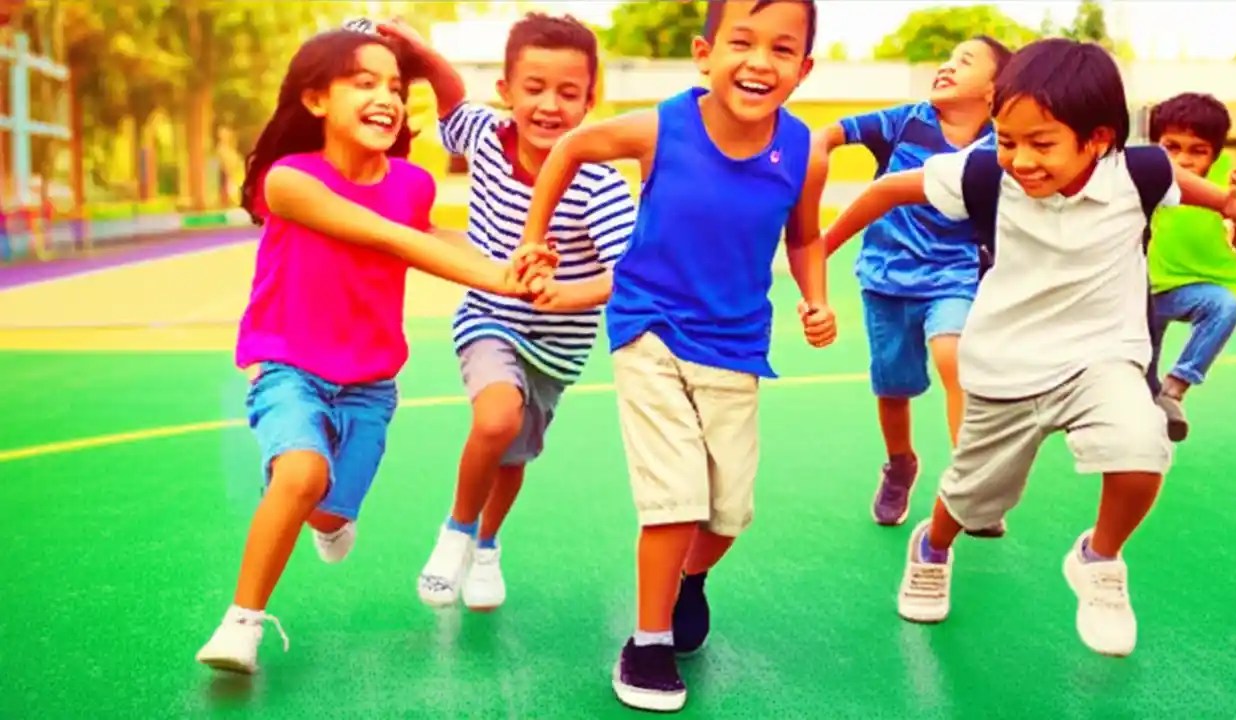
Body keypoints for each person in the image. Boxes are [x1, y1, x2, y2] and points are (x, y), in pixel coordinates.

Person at [821, 38, 1236, 659]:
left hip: (1102, 358)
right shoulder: (982, 174)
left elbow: (1179, 182)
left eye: (1041, 143)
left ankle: (1099, 557)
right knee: (975, 497)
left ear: (1097, 139)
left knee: (1143, 447)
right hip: (1006, 363)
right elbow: (882, 193)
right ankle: (933, 545)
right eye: (1008, 140)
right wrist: (816, 253)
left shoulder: (1137, 173)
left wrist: (1231, 201)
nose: (1020, 159)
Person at [194, 24, 554, 675]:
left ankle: (321, 511)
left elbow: (434, 235)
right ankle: (240, 625)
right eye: (363, 82)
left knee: (327, 506)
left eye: (395, 85)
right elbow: (389, 238)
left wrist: (513, 264)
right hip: (289, 368)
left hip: (369, 385)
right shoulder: (290, 181)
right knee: (302, 474)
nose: (387, 96)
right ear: (314, 100)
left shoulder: (413, 184)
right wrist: (497, 278)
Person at [516, 0, 834, 711]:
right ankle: (649, 642)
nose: (759, 62)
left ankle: (691, 579)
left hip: (736, 344)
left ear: (804, 70)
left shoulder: (801, 152)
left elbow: (805, 237)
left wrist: (816, 297)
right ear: (704, 52)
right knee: (675, 498)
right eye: (741, 42)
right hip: (650, 327)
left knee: (725, 516)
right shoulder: (665, 127)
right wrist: (536, 239)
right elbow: (568, 149)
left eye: (782, 50)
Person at [391, 13, 638, 613]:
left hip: (557, 348)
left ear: (589, 101)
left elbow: (631, 269)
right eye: (534, 87)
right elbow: (450, 98)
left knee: (513, 457)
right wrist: (419, 51)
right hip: (489, 316)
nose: (549, 105)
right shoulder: (484, 136)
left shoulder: (598, 183)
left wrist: (567, 295)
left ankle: (488, 545)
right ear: (506, 91)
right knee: (497, 418)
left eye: (568, 92)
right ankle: (455, 531)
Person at [819, 36, 1012, 534]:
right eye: (947, 59)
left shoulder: (1000, 146)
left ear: (994, 91)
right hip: (885, 279)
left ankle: (971, 484)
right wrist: (816, 148)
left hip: (952, 274)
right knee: (893, 389)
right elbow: (833, 134)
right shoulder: (907, 120)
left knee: (955, 356)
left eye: (964, 62)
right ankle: (900, 465)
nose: (947, 66)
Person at [1145, 92, 1236, 442]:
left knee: (1225, 306)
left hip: (1190, 291)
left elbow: (1233, 227)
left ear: (1214, 154)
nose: (1183, 160)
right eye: (1171, 147)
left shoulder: (1221, 185)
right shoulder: (1144, 178)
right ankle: (1152, 403)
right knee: (1140, 381)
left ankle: (1174, 390)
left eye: (1197, 150)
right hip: (1144, 295)